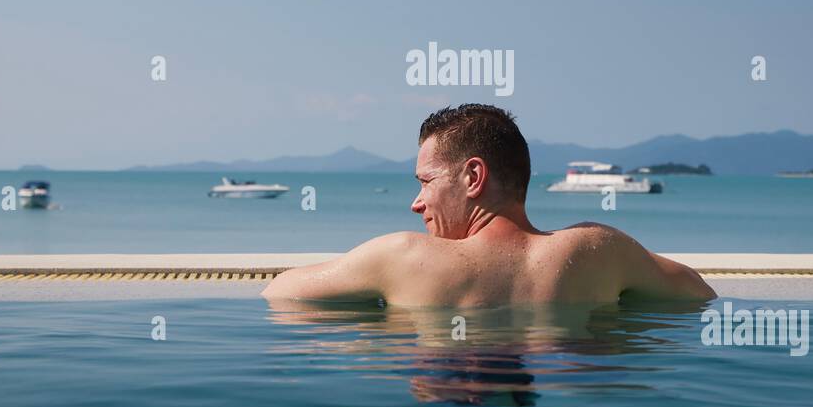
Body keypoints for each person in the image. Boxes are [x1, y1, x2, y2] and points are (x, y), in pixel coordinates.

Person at [262, 104, 716, 307]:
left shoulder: (405, 258)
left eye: (425, 182)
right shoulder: (597, 251)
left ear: (473, 177)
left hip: (452, 403)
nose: (416, 203)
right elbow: (698, 292)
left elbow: (279, 294)